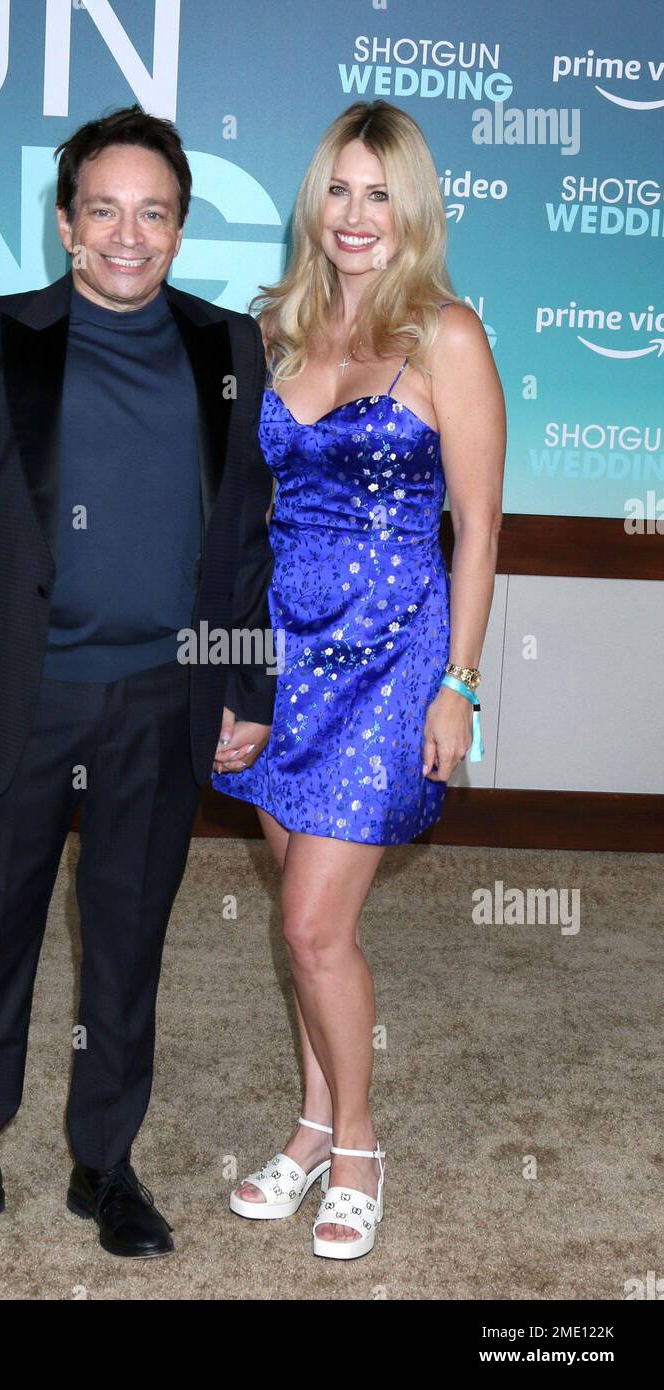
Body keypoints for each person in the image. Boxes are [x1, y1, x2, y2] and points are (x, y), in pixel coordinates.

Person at [0, 104, 275, 1261]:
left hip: (160, 704)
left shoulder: (230, 348)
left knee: (126, 940)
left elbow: (247, 539)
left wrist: (243, 689)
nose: (127, 234)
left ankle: (104, 1164)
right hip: (20, 704)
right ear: (65, 224)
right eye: (102, 210)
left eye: (152, 212)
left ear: (178, 228)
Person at [213, 99, 505, 1260]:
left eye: (377, 192)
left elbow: (477, 529)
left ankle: (358, 1147)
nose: (353, 213)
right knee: (301, 934)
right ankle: (307, 1126)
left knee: (310, 924)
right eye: (337, 189)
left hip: (390, 661)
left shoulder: (446, 334)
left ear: (411, 209)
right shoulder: (274, 333)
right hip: (285, 657)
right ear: (312, 202)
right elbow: (237, 520)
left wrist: (459, 684)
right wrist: (231, 677)